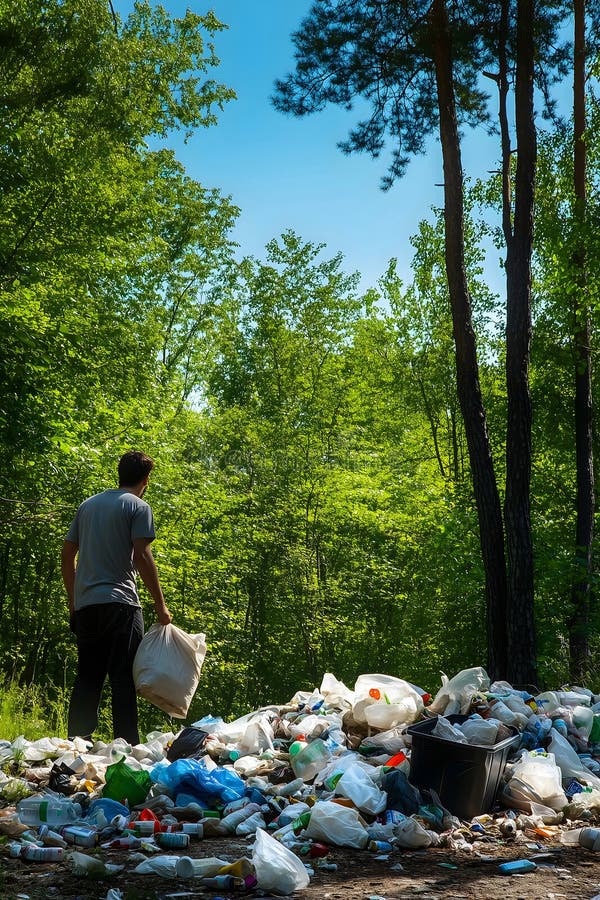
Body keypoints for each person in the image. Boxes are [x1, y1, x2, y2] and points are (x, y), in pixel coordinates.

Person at [61, 450, 172, 745]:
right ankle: (128, 749)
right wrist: (161, 607)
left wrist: (74, 601)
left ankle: (76, 744)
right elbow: (142, 556)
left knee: (88, 677)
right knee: (123, 678)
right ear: (146, 479)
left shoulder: (88, 506)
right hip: (121, 604)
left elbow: (67, 555)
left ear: (120, 472)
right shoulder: (138, 506)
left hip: (87, 607)